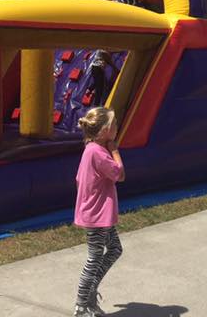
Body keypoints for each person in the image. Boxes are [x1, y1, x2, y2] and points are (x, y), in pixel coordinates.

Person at [73, 107, 125, 317]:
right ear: (104, 130)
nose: (117, 127)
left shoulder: (91, 149)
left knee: (114, 249)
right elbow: (119, 174)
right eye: (114, 124)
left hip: (98, 212)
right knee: (94, 257)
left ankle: (90, 293)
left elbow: (78, 179)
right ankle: (81, 305)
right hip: (96, 214)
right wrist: (115, 150)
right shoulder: (99, 152)